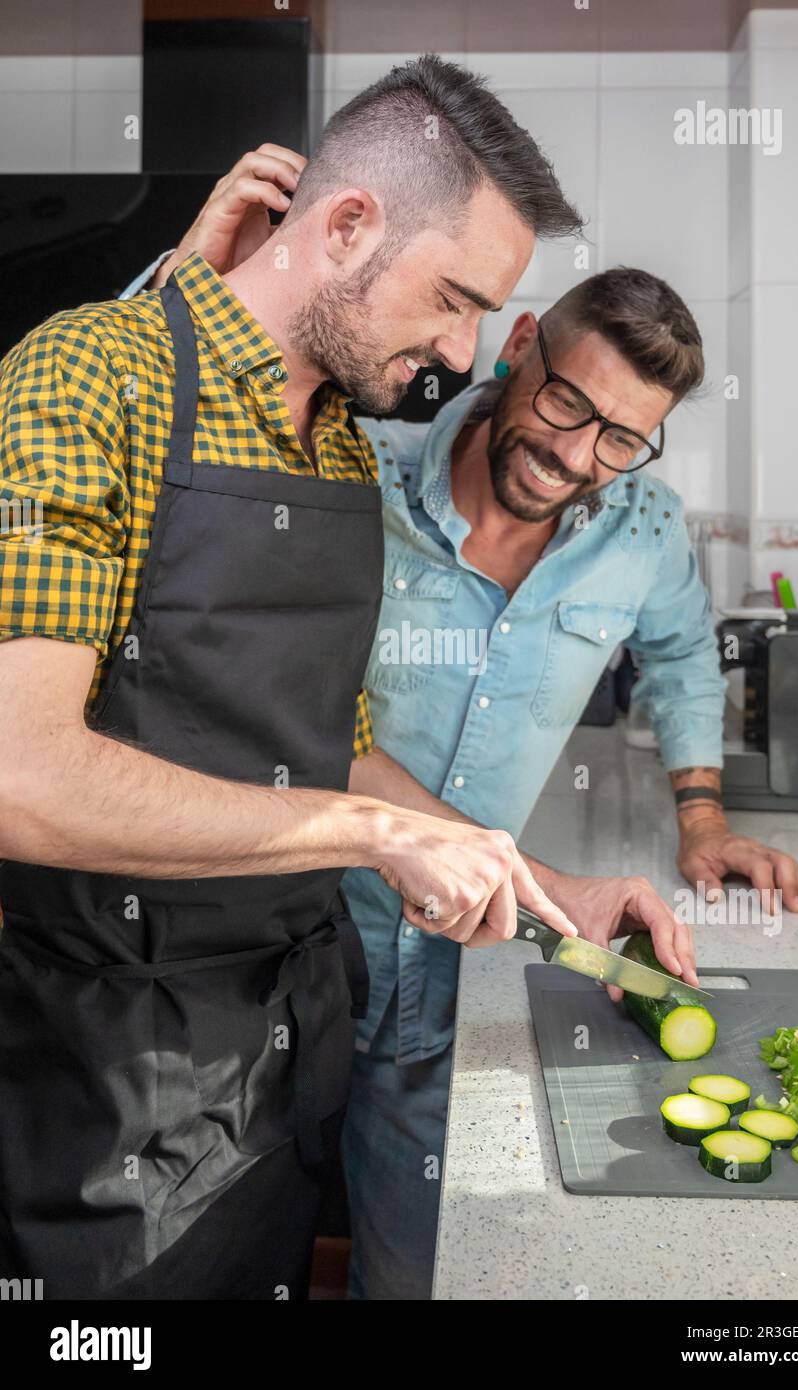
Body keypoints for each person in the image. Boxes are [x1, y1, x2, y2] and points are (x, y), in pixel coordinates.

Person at [148, 149, 798, 1300]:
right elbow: (168, 458)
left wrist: (700, 820)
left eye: (620, 437)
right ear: (516, 351)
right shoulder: (353, 466)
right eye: (566, 403)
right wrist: (179, 287)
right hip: (279, 967)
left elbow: (676, 655)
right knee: (205, 1266)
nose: (574, 454)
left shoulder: (644, 530)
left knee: (424, 1274)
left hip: (463, 979)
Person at [0, 56, 590, 1301]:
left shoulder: (343, 450)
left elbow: (335, 740)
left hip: (286, 1052)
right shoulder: (89, 373)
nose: (462, 350)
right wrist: (372, 835)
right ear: (347, 225)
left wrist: (543, 888)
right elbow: (23, 775)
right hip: (108, 1081)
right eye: (453, 298)